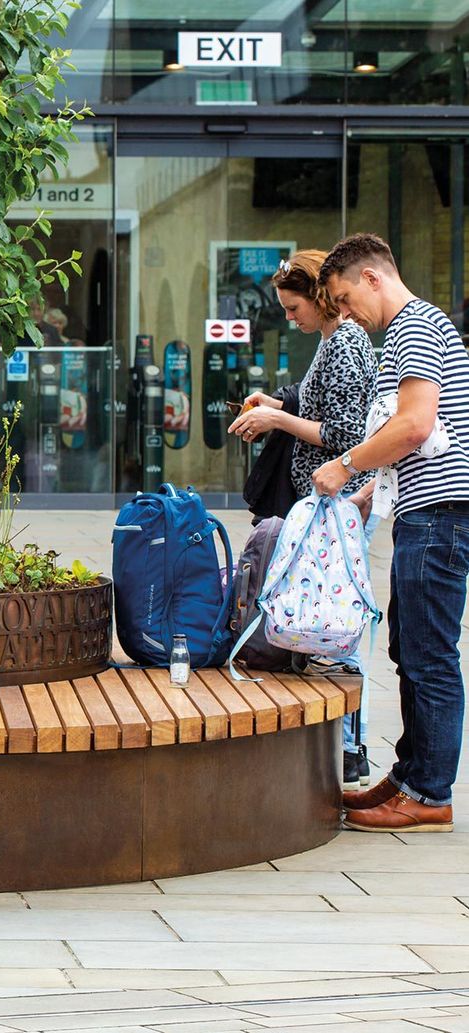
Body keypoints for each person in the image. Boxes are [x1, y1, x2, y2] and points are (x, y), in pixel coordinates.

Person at [315, 232, 469, 833]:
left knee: (428, 655)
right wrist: (368, 492)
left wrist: (346, 463)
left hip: (438, 517)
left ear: (372, 278)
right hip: (423, 510)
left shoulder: (414, 329)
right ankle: (410, 776)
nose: (347, 313)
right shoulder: (414, 331)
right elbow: (429, 439)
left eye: (345, 297)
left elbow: (413, 425)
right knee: (412, 649)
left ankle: (428, 794)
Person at [230, 249, 380, 788]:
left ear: (320, 296)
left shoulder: (345, 343)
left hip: (337, 504)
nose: (290, 319)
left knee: (333, 626)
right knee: (322, 620)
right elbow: (317, 405)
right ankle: (342, 745)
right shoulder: (329, 341)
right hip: (323, 504)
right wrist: (276, 402)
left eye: (294, 308)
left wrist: (278, 418)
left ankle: (349, 747)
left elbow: (343, 433)